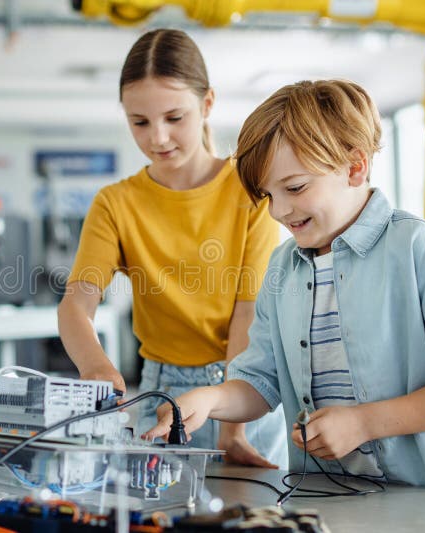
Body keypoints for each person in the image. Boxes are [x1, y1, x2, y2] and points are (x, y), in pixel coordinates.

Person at [144, 79, 425, 496]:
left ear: (355, 167)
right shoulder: (282, 268)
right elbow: (260, 382)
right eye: (268, 194)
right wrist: (211, 400)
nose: (279, 211)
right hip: (335, 497)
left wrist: (364, 422)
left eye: (295, 188)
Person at [57, 28, 287, 468]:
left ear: (207, 105)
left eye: (174, 118)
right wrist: (96, 368)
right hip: (160, 390)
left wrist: (232, 427)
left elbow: (248, 311)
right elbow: (76, 304)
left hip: (245, 389)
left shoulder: (250, 187)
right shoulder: (116, 203)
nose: (157, 138)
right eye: (139, 122)